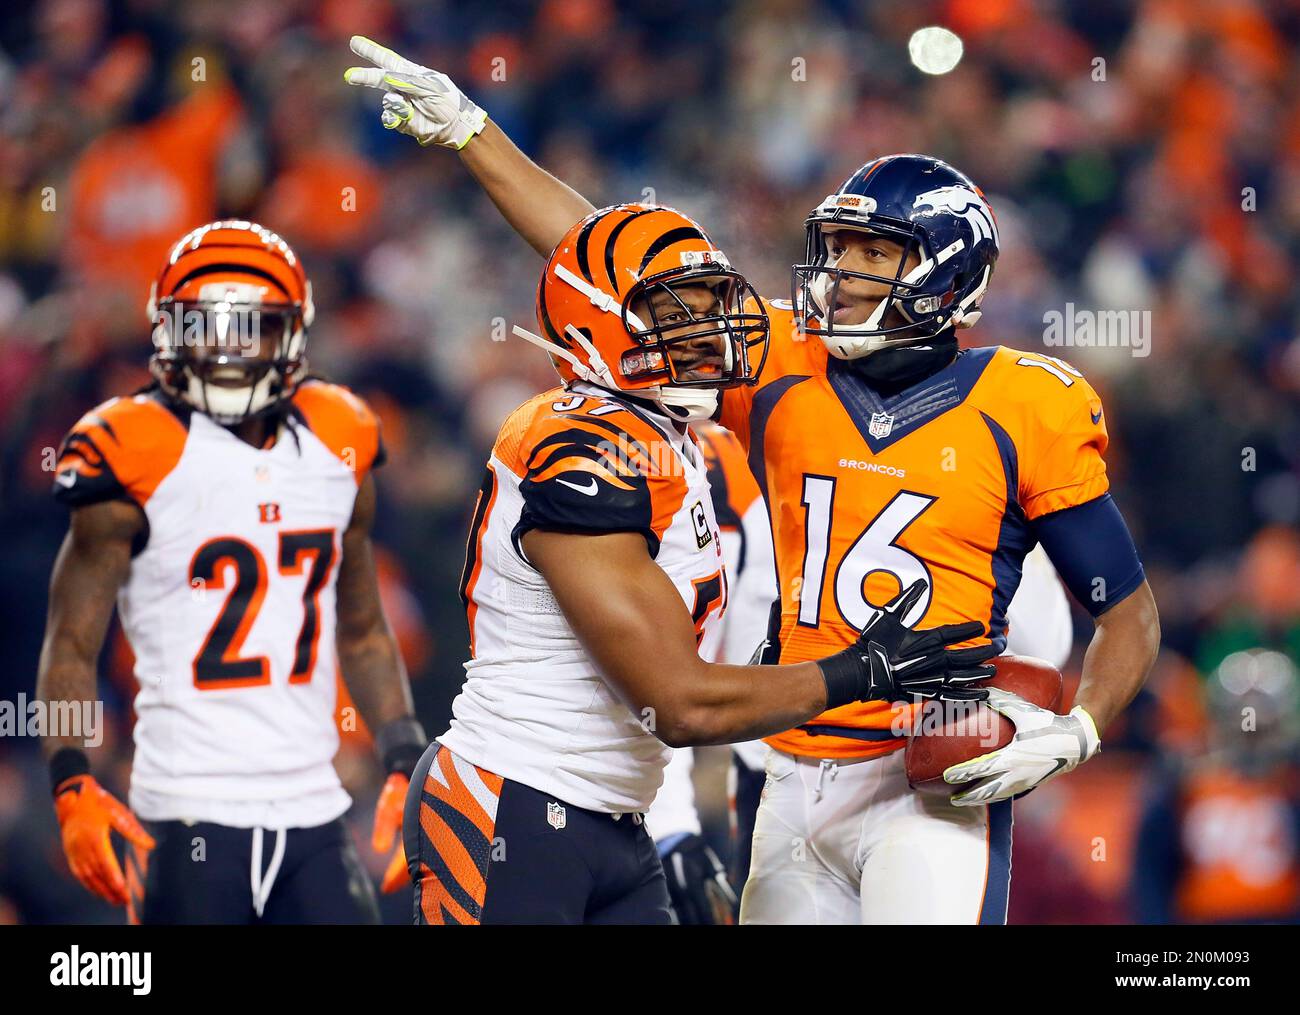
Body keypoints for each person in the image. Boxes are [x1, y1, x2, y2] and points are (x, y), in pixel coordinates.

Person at [346, 38, 1160, 925]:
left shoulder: (1026, 405)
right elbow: (615, 272)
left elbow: (1128, 612)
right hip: (789, 765)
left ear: (947, 275)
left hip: (925, 774)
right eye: (837, 249)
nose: (839, 277)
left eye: (871, 257)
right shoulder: (779, 365)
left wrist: (1077, 731)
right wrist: (474, 134)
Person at [401, 203, 996, 925]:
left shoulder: (670, 435)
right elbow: (677, 701)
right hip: (514, 802)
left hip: (616, 815)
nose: (709, 328)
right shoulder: (579, 445)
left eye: (713, 302)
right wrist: (859, 671)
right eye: (675, 309)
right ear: (598, 322)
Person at [37, 220, 426, 924]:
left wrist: (406, 754)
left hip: (314, 808)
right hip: (188, 812)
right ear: (169, 331)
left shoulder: (342, 433)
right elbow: (69, 644)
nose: (227, 350)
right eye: (207, 327)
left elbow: (364, 630)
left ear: (291, 334)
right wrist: (71, 782)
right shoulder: (129, 447)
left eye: (251, 327)